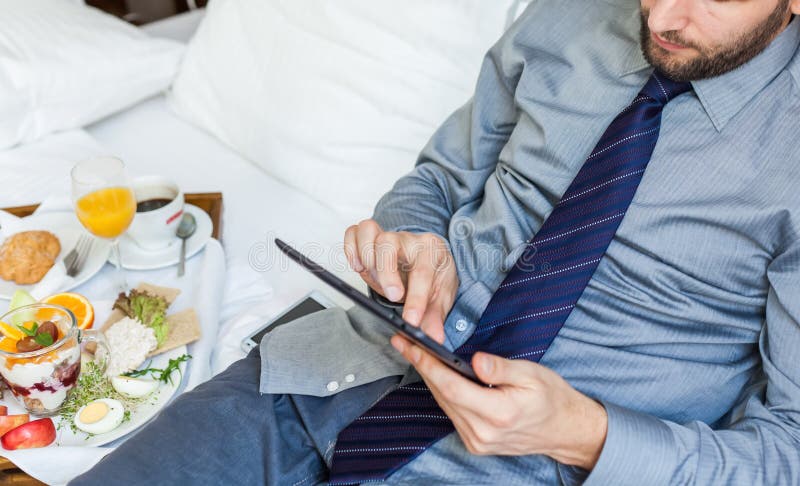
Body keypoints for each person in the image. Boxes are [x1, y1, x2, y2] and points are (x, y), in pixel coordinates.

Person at [72, 0, 800, 484]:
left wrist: (583, 433)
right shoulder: (569, 15)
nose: (664, 16)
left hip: (531, 466)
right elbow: (438, 179)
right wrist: (415, 239)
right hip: (327, 378)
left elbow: (789, 446)